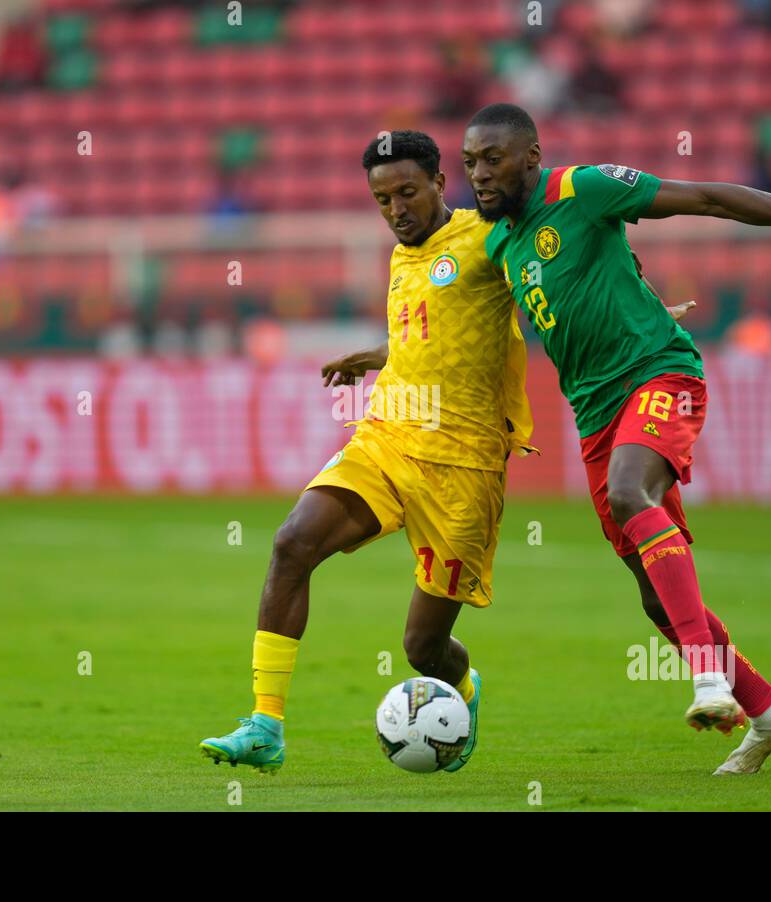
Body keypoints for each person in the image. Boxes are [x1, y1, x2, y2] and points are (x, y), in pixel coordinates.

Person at [461, 102, 771, 774]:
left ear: (530, 156)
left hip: (659, 374)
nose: (478, 173)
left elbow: (706, 198)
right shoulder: (498, 242)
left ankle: (708, 678)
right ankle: (769, 711)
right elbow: (513, 315)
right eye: (469, 161)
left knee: (627, 493)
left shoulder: (582, 188)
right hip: (593, 414)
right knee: (653, 592)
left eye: (491, 158)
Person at [197, 131, 536, 774]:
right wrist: (382, 355)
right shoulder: (402, 255)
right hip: (388, 435)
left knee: (422, 649)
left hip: (464, 465)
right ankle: (265, 724)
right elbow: (438, 332)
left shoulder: (487, 237)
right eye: (382, 199)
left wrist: (626, 313)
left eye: (407, 193)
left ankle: (463, 687)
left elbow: (554, 290)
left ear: (441, 183)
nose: (396, 210)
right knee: (293, 542)